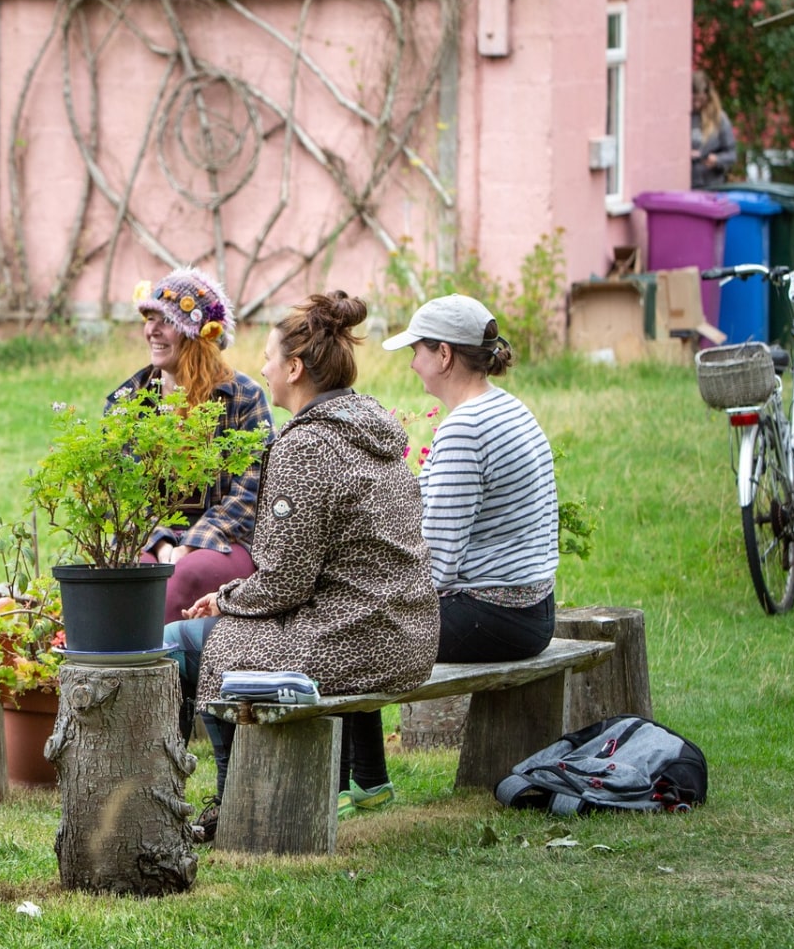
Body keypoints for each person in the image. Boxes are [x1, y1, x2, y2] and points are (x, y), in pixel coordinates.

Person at [166, 291, 438, 840]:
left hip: (357, 637)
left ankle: (232, 802)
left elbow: (285, 582)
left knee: (191, 641)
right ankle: (256, 792)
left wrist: (223, 600)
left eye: (269, 357)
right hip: (409, 633)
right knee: (225, 634)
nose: (262, 369)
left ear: (294, 368)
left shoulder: (306, 446)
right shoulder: (367, 425)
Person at [383, 294, 559, 664]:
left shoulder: (465, 428)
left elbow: (438, 565)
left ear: (444, 355)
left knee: (346, 632)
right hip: (532, 610)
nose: (413, 364)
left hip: (491, 616)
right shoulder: (508, 406)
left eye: (417, 350)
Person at [110, 269, 272, 624]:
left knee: (186, 576)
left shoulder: (243, 398)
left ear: (196, 335)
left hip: (225, 540)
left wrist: (190, 544)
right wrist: (162, 542)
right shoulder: (130, 403)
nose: (151, 330)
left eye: (164, 321)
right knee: (131, 573)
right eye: (149, 319)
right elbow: (124, 496)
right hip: (150, 536)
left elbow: (251, 495)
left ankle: (168, 676)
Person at [690, 69, 737, 189]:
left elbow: (732, 154)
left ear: (707, 96)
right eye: (693, 100)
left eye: (700, 100)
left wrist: (718, 159)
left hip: (712, 185)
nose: (696, 105)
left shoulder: (719, 118)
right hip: (689, 184)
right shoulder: (684, 117)